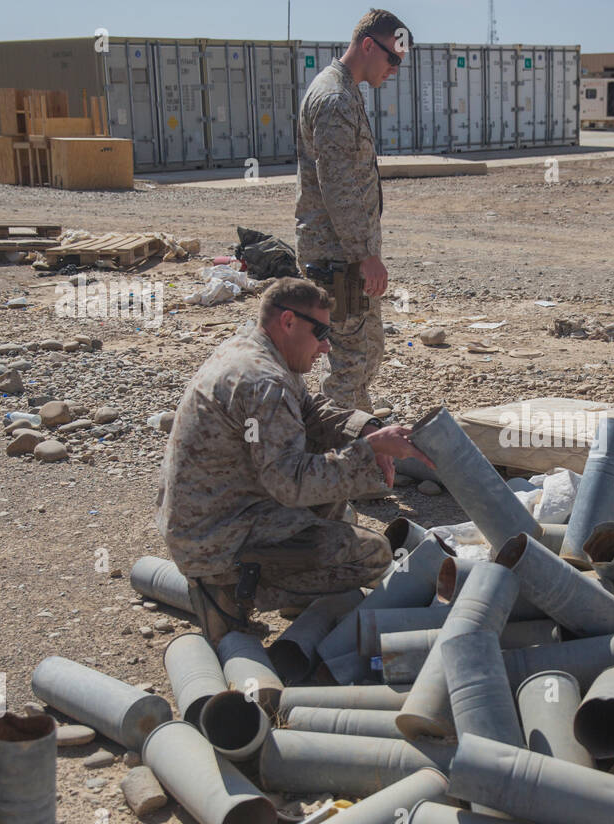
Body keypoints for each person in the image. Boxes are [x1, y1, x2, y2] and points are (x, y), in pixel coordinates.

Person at [155, 277, 433, 645]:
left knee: (330, 473)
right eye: (319, 332)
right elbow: (292, 484)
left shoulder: (257, 351)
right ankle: (233, 589)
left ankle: (296, 593)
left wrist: (366, 430)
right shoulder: (264, 382)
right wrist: (370, 453)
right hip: (216, 536)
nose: (325, 346)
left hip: (215, 511)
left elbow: (310, 411)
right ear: (288, 321)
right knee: (373, 555)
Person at [296, 8, 412, 413]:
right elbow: (338, 185)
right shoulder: (333, 99)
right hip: (339, 260)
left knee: (368, 351)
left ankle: (359, 433)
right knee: (350, 363)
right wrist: (365, 255)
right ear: (368, 45)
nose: (395, 70)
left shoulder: (345, 92)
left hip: (347, 257)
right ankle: (340, 453)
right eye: (392, 59)